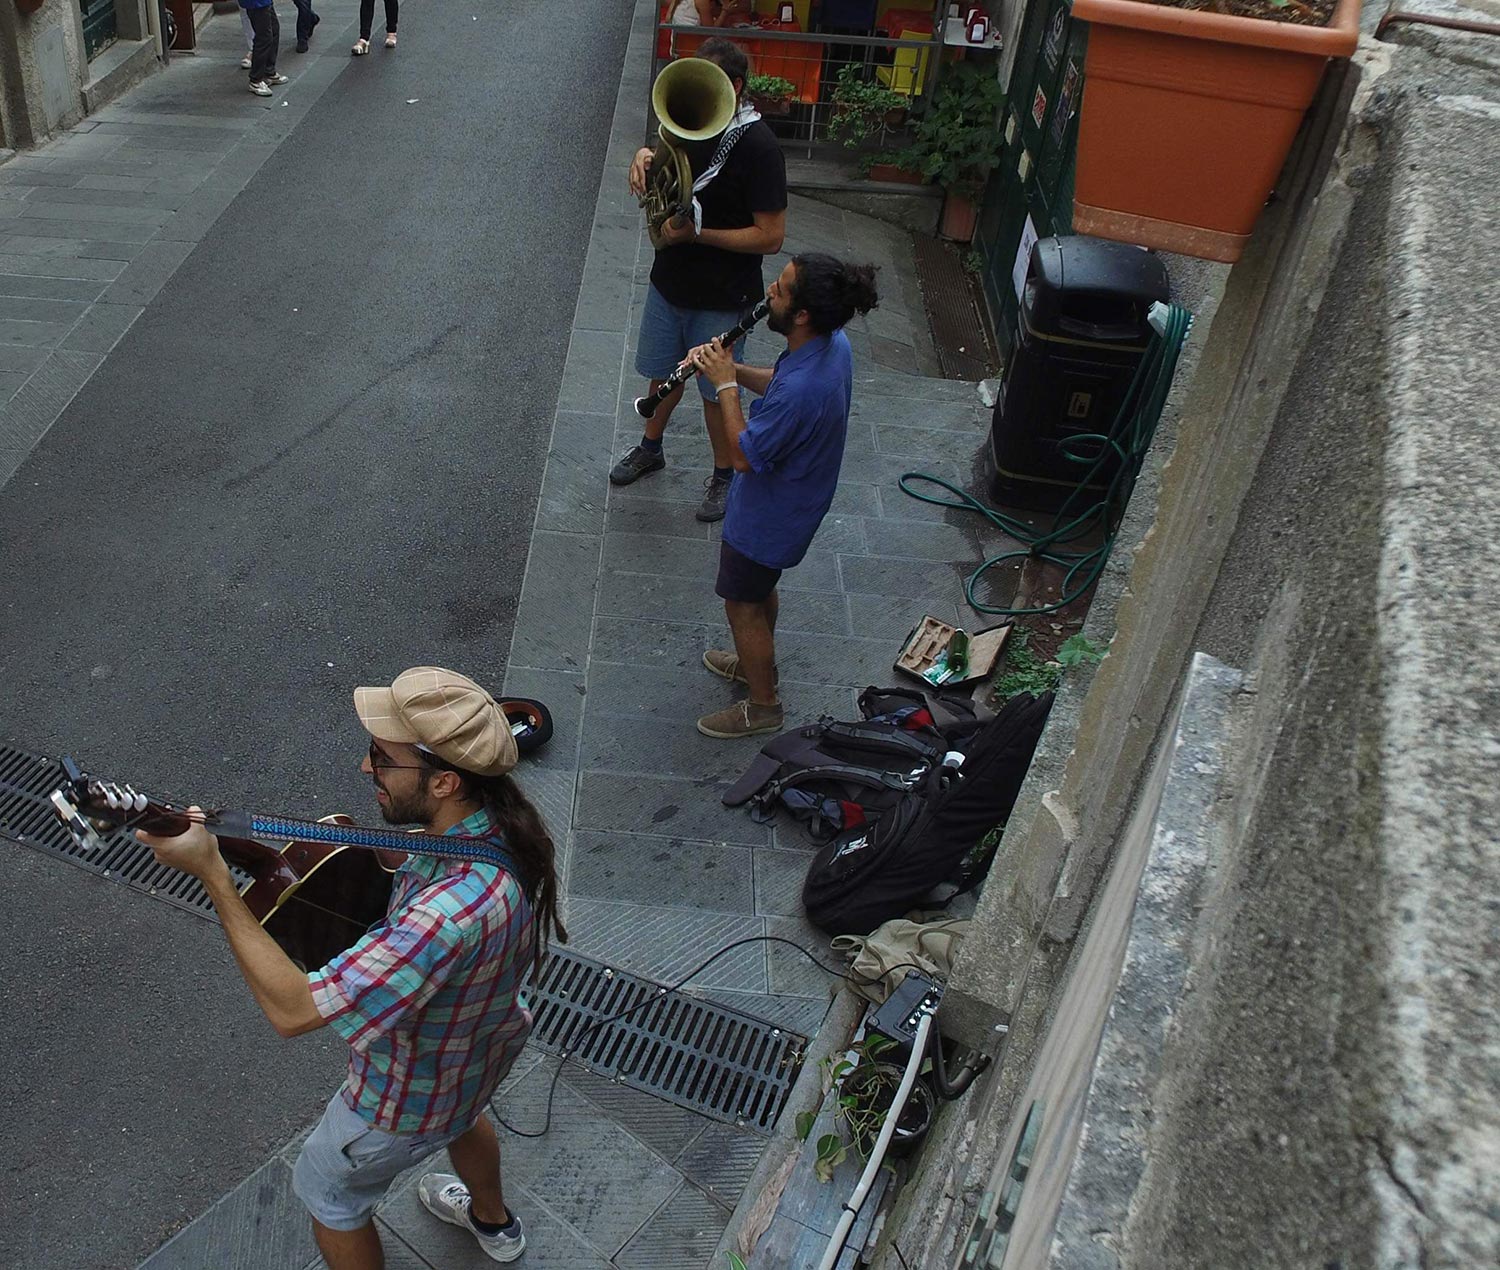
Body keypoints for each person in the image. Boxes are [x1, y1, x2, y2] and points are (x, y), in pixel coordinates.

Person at [137, 667, 566, 1268]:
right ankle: (494, 1223)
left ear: (444, 781)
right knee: (465, 1118)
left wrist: (212, 874)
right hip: (482, 1046)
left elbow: (292, 1012)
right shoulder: (498, 827)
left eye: (381, 757)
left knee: (330, 1197)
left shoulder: (442, 920)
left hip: (404, 1097)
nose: (368, 769)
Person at [686, 253, 879, 738]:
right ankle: (758, 663)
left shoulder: (805, 388)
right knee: (758, 587)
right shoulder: (831, 346)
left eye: (781, 289)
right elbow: (781, 384)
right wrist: (730, 368)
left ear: (802, 314)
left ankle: (763, 704)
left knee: (741, 603)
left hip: (769, 513)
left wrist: (725, 386)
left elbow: (745, 455)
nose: (769, 291)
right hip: (795, 503)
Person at [613, 38, 788, 524]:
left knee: (716, 388)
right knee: (663, 372)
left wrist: (698, 235)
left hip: (724, 293)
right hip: (671, 280)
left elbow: (772, 237)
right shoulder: (684, 124)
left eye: (710, 84)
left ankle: (725, 474)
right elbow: (661, 161)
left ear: (734, 87)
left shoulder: (760, 147)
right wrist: (642, 156)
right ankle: (651, 447)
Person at [240, 0, 287, 97]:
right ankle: (256, 80)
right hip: (257, 3)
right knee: (264, 37)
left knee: (273, 30)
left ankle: (268, 71)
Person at [669, 0, 752, 25]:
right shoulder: (702, 2)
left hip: (678, 45)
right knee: (742, 46)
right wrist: (725, 11)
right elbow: (710, 31)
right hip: (691, 45)